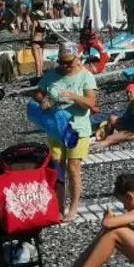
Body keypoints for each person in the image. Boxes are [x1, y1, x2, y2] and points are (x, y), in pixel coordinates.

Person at [33, 43, 98, 221]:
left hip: (78, 128)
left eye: (69, 62)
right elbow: (38, 93)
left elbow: (91, 103)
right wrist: (44, 101)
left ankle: (74, 207)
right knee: (58, 167)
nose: (65, 66)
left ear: (77, 59)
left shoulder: (86, 76)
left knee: (73, 167)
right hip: (55, 127)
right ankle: (59, 207)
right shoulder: (51, 75)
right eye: (62, 62)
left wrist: (74, 96)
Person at [92, 83, 134, 151]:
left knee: (110, 139)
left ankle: (93, 147)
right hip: (129, 126)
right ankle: (104, 137)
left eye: (130, 92)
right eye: (127, 92)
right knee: (112, 118)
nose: (128, 94)